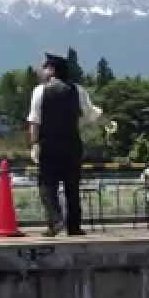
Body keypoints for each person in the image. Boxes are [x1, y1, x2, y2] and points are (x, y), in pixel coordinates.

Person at [28, 52, 102, 236]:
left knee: (47, 186)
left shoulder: (40, 91)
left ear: (52, 70)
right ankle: (74, 226)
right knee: (72, 187)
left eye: (44, 66)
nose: (41, 70)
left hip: (48, 145)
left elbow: (34, 122)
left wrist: (34, 144)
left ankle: (55, 221)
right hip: (72, 145)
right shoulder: (77, 90)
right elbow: (91, 114)